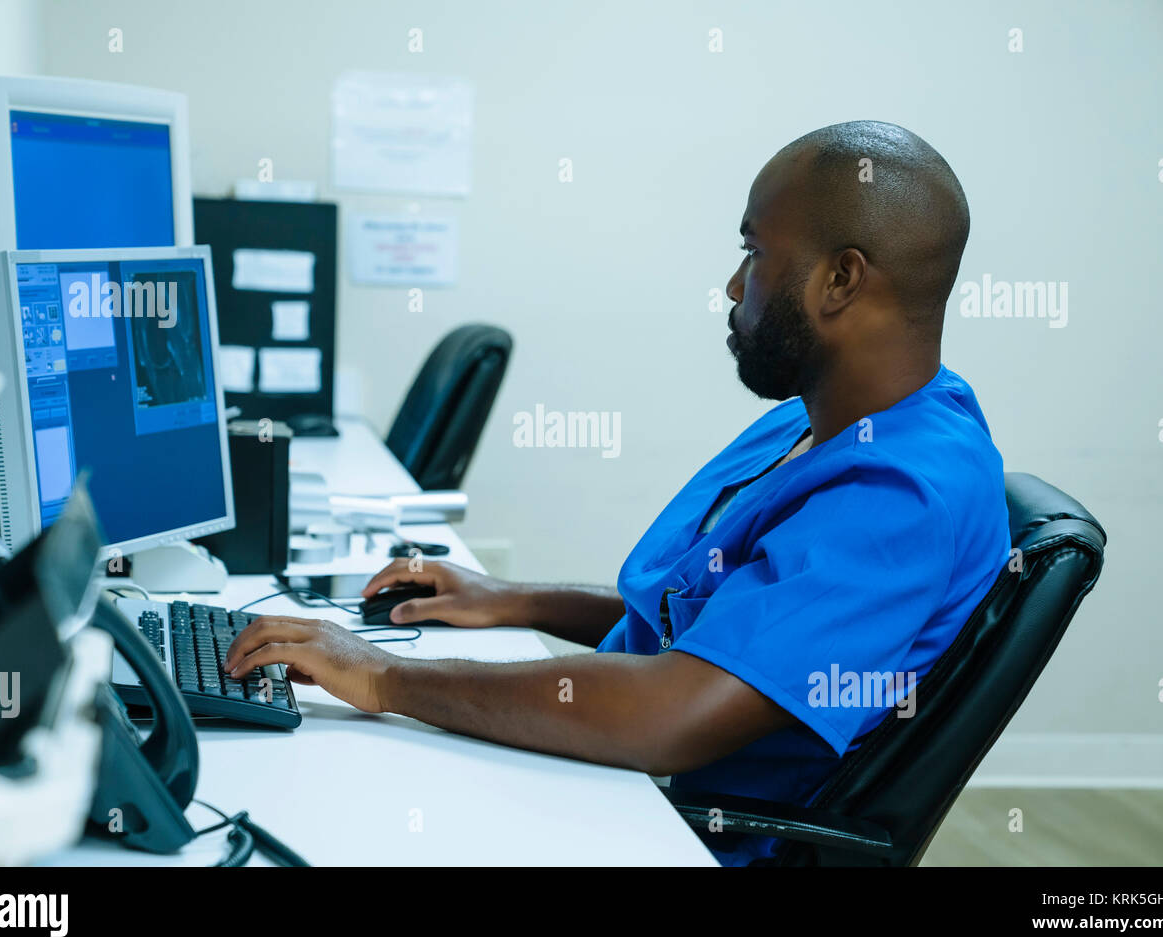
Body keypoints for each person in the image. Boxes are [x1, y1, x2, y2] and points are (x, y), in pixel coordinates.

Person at [225, 120, 1011, 865]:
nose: (735, 284)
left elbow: (674, 709)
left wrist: (380, 677)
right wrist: (514, 599)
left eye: (755, 252)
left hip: (669, 826)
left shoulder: (900, 494)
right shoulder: (825, 421)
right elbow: (710, 622)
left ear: (840, 278)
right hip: (621, 780)